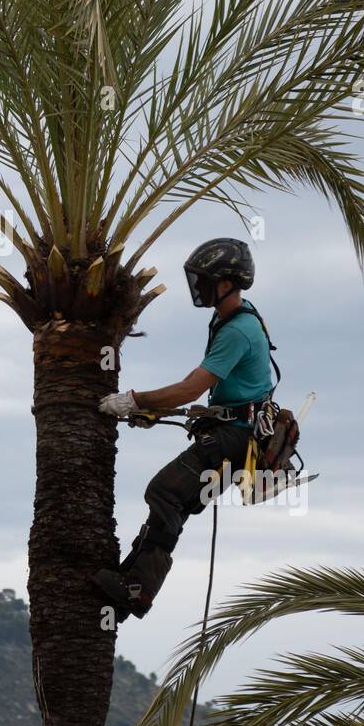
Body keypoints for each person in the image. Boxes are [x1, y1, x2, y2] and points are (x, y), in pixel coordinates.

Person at [94, 238, 274, 621]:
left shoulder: (238, 330)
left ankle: (138, 589)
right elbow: (222, 390)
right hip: (235, 431)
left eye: (205, 280)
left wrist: (135, 400)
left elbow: (193, 386)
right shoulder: (230, 318)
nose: (199, 288)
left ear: (227, 282)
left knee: (163, 492)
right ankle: (132, 586)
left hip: (234, 438)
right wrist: (161, 411)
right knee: (171, 503)